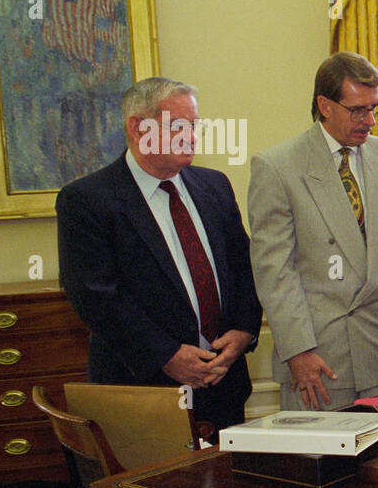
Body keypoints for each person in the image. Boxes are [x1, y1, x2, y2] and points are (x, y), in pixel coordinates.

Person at [56, 77, 262, 431]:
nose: (193, 136)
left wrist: (243, 330)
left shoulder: (214, 186)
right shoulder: (88, 200)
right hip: (143, 390)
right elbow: (96, 296)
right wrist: (165, 355)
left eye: (196, 126)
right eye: (180, 126)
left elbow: (245, 267)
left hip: (223, 385)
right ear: (138, 127)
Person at [248, 51, 378, 410]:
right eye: (357, 109)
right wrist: (298, 350)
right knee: (323, 463)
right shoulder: (278, 166)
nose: (370, 120)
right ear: (325, 106)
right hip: (318, 358)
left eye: (375, 107)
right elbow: (275, 272)